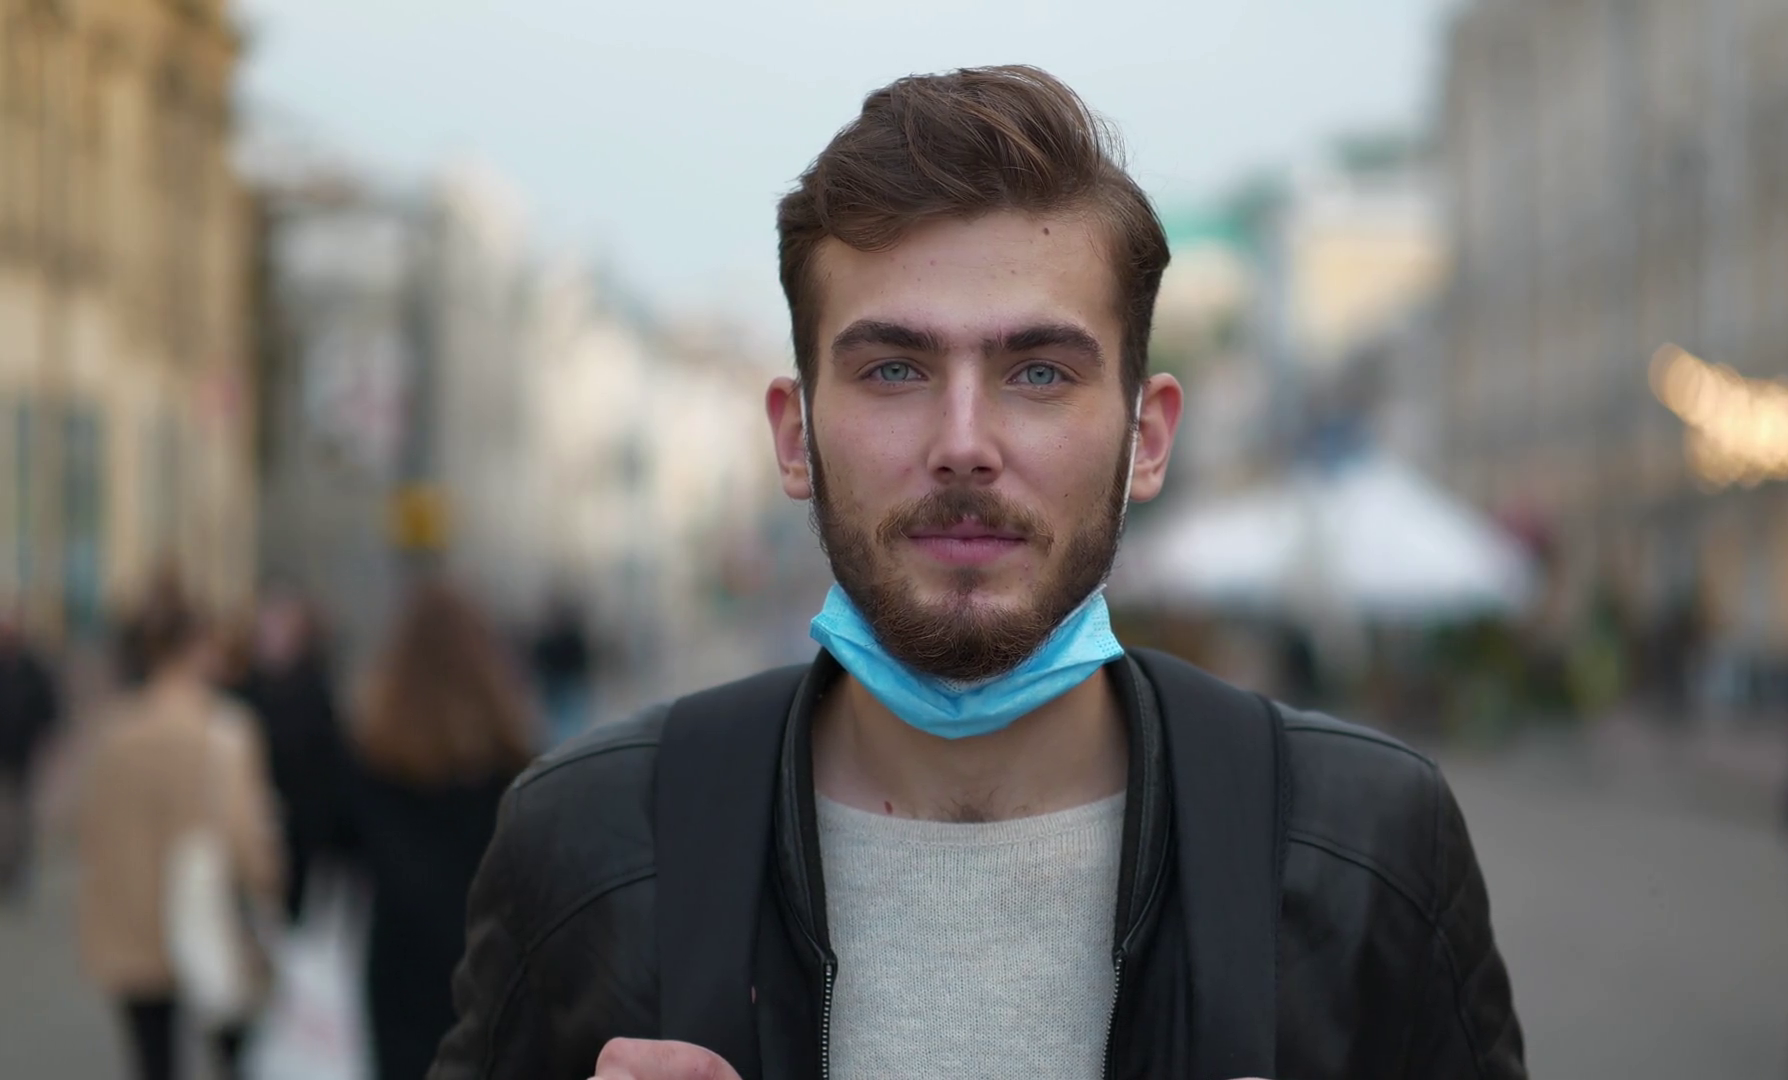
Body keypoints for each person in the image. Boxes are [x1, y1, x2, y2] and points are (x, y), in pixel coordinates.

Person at [433, 66, 1524, 1080]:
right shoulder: (588, 840)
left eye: (1039, 371)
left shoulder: (1363, 845)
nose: (965, 441)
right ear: (793, 434)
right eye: (895, 368)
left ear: (1148, 437)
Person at [338, 578, 534, 1080]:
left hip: (399, 960)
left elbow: (341, 843)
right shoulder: (511, 757)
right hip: (491, 960)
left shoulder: (374, 752)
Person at [76, 604, 282, 1080]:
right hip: (211, 915)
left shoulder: (114, 731)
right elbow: (246, 834)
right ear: (196, 651)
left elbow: (87, 825)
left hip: (129, 917)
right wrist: (270, 889)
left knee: (152, 1060)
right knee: (234, 1054)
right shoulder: (225, 730)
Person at [232, 588, 347, 922]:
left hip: (302, 824)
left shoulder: (316, 690)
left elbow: (329, 763)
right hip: (256, 815)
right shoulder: (244, 690)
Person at [0, 608, 59, 901]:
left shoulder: (31, 667)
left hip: (21, 752)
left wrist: (43, 732)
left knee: (21, 813)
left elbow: (48, 706)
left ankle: (18, 867)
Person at [528, 591, 593, 747]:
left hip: (567, 683)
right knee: (558, 721)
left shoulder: (570, 636)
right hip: (555, 683)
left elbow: (581, 659)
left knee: (569, 719)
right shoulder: (550, 636)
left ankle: (569, 745)